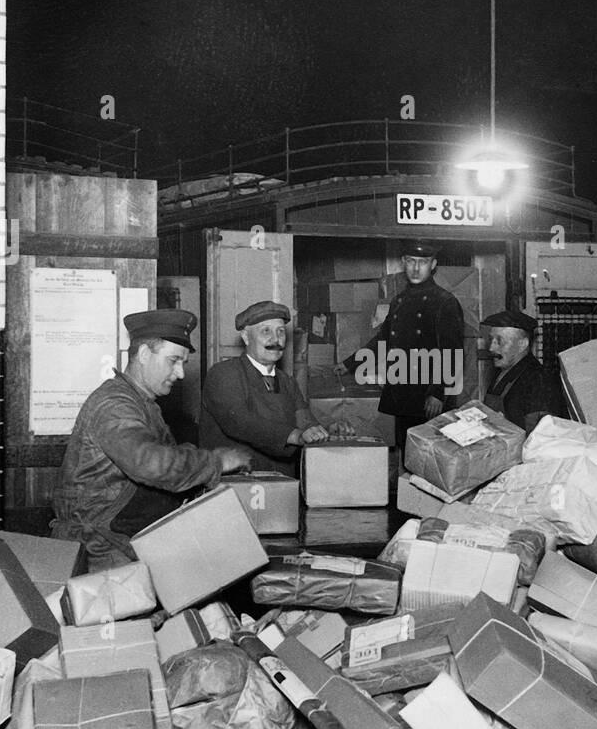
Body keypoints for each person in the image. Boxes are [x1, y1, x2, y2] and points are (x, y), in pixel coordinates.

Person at [51, 309, 250, 572]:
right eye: (173, 360)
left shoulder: (142, 403)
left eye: (183, 363)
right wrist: (215, 462)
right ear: (144, 354)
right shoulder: (115, 405)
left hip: (122, 540)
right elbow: (152, 463)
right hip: (99, 550)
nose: (180, 373)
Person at [336, 241, 466, 457]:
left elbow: (452, 351)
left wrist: (438, 392)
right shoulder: (399, 301)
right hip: (404, 391)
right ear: (403, 263)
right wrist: (349, 363)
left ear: (433, 264)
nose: (416, 268)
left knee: (429, 456)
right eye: (411, 261)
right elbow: (383, 339)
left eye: (423, 262)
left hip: (428, 396)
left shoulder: (444, 301)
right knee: (407, 452)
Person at [200, 300, 356, 474]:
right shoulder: (224, 373)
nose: (276, 339)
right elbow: (240, 422)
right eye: (265, 331)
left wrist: (327, 429)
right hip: (235, 485)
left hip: (282, 484)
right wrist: (295, 435)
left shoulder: (286, 381)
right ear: (245, 337)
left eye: (280, 331)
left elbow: (304, 421)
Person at [481, 308, 565, 431]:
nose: (491, 348)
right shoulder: (502, 373)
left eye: (499, 341)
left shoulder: (538, 380)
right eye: (491, 340)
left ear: (522, 344)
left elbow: (539, 436)